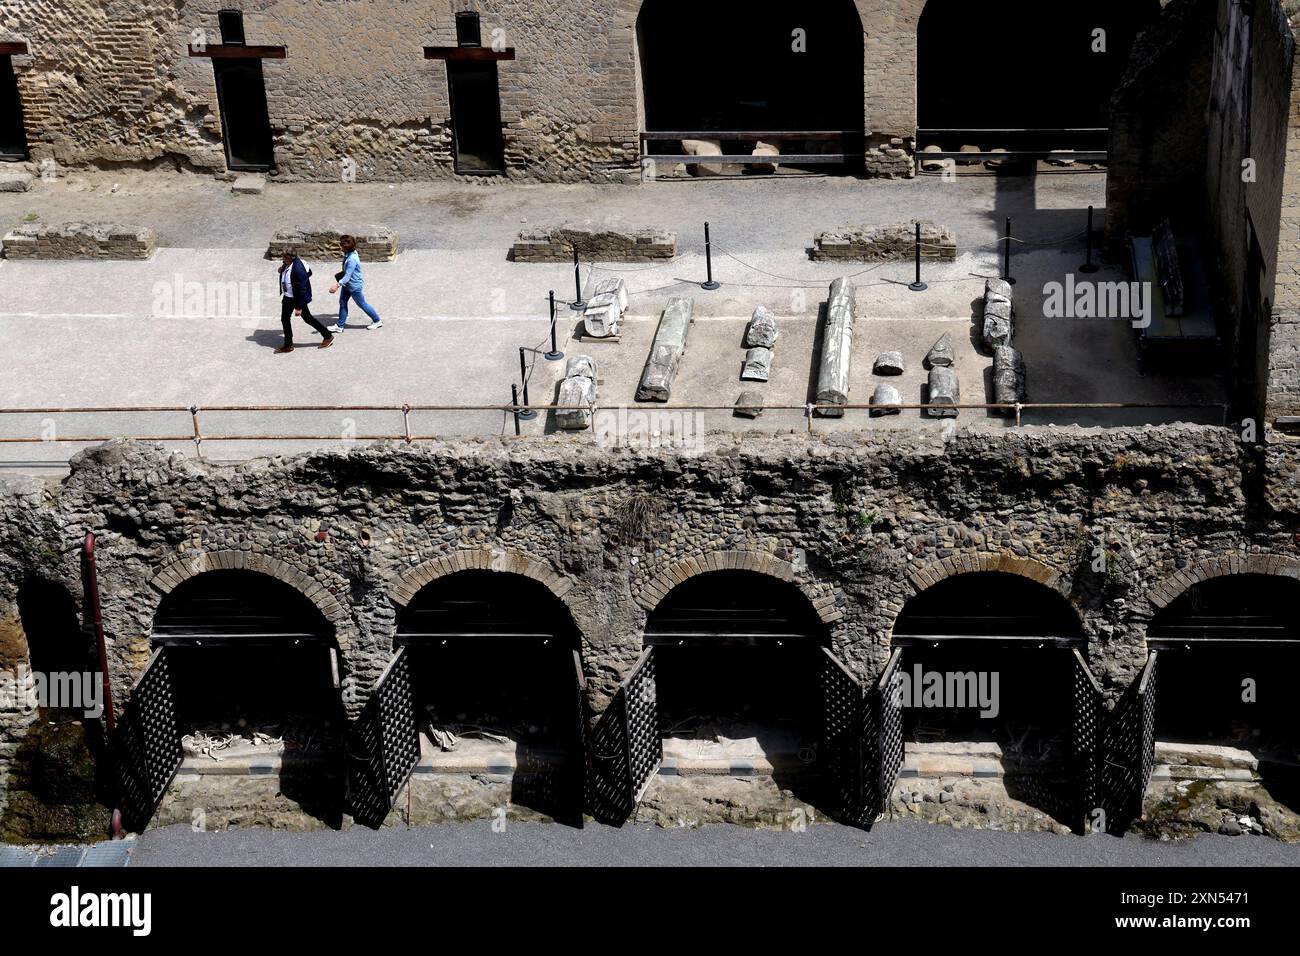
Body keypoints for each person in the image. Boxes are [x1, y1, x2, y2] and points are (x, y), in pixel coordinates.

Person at [275, 249, 334, 354]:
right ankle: (288, 345)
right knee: (286, 319)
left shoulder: (298, 269)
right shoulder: (288, 263)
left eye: (283, 256)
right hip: (288, 297)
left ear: (289, 257)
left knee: (307, 318)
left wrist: (299, 307)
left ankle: (328, 336)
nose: (281, 257)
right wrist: (283, 269)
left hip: (295, 298)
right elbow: (309, 272)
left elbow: (302, 289)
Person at [329, 234, 383, 331]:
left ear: (346, 248)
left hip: (354, 286)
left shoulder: (352, 259)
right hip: (347, 285)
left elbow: (347, 276)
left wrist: (336, 285)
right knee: (342, 302)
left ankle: (377, 321)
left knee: (362, 304)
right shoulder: (349, 254)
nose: (340, 248)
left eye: (341, 246)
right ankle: (340, 326)